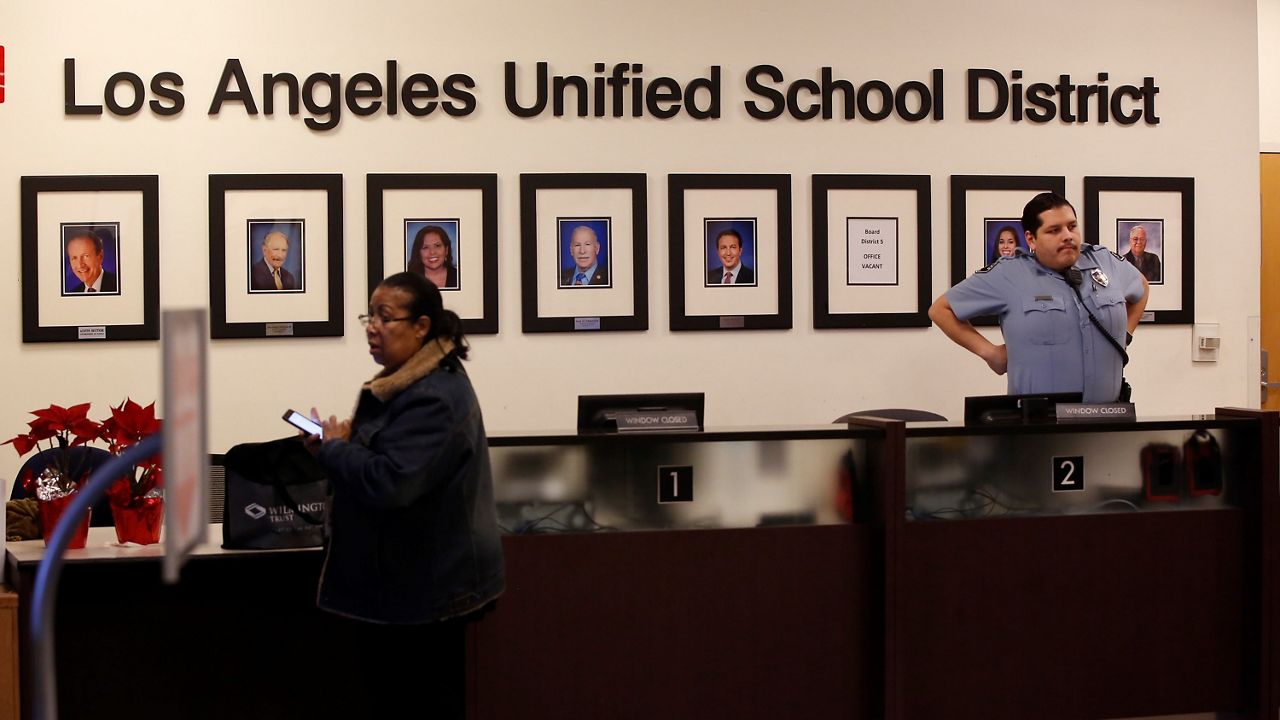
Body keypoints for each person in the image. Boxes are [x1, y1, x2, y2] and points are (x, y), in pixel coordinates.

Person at [305, 271, 504, 716]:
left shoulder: (433, 396)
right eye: (369, 315)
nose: (372, 326)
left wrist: (335, 450)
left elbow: (391, 483)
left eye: (385, 316)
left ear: (422, 327)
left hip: (424, 595)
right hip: (405, 586)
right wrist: (345, 443)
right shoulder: (409, 384)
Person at [928, 192, 1150, 403]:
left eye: (1072, 226)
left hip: (1108, 417)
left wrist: (1125, 336)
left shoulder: (1104, 262)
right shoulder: (1009, 274)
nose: (1067, 236)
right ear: (1031, 239)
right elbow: (941, 310)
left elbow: (1141, 287)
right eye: (1054, 230)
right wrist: (991, 353)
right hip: (1041, 424)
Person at [406, 224, 459, 290]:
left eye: (437, 245)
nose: (432, 252)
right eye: (425, 247)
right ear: (418, 253)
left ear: (446, 250)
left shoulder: (459, 276)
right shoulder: (408, 279)